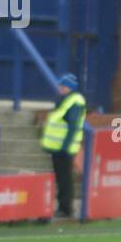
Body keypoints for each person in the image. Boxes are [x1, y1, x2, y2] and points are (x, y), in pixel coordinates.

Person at [40, 72, 86, 218]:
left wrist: (65, 146)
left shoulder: (75, 102)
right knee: (61, 178)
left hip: (64, 148)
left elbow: (72, 126)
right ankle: (63, 207)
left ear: (69, 87)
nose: (60, 88)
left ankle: (65, 208)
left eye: (63, 85)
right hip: (57, 147)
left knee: (65, 179)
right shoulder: (65, 100)